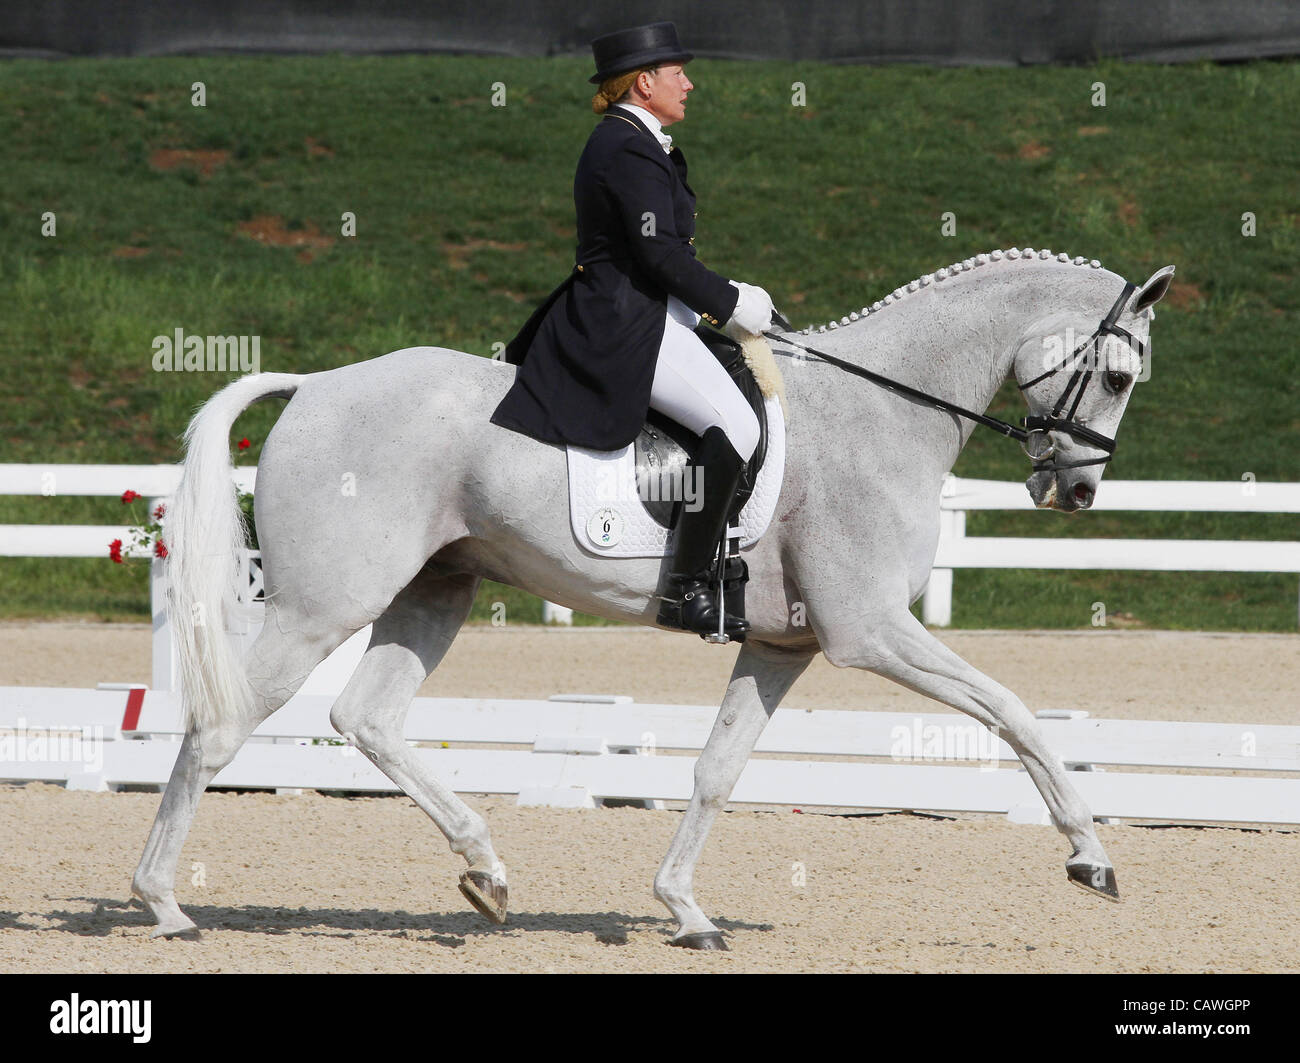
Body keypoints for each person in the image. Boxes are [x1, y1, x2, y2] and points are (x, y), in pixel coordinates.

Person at [490, 21, 775, 640]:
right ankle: (687, 588)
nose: (690, 84)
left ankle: (721, 568)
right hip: (626, 321)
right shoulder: (625, 146)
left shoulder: (642, 140)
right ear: (645, 83)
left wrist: (726, 301)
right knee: (737, 425)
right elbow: (658, 257)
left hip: (655, 311)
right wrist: (730, 303)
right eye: (679, 74)